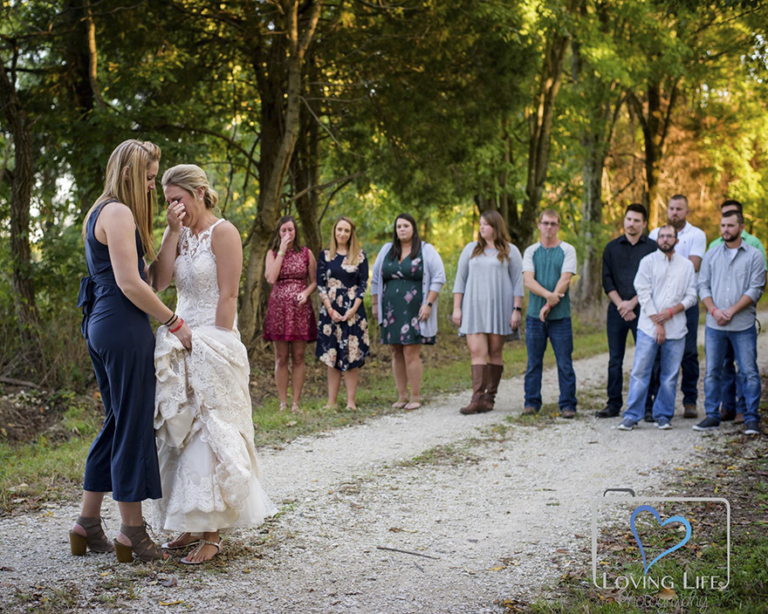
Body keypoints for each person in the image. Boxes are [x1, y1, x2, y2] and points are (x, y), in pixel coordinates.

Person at [150, 164, 277, 564]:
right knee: (179, 430)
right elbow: (160, 282)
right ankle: (189, 522)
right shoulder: (180, 233)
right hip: (179, 337)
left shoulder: (224, 232)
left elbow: (228, 295)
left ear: (200, 192)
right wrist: (171, 230)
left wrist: (214, 346)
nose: (174, 206)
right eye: (168, 201)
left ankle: (213, 533)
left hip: (213, 340)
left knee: (210, 429)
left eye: (179, 199)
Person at [73, 140, 192, 563]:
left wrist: (173, 232)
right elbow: (130, 284)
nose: (149, 188)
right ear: (128, 174)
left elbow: (155, 278)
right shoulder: (118, 212)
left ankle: (87, 523)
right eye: (145, 179)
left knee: (117, 421)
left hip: (105, 324)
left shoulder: (100, 211)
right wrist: (174, 322)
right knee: (132, 426)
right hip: (121, 326)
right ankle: (133, 533)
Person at [617, 225, 697, 431]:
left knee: (669, 376)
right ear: (657, 240)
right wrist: (657, 321)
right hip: (647, 328)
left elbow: (691, 297)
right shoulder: (647, 262)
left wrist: (670, 313)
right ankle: (632, 415)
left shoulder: (686, 266)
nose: (665, 240)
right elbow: (643, 292)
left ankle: (663, 415)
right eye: (662, 236)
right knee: (640, 372)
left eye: (670, 236)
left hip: (677, 329)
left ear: (676, 241)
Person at [694, 210, 764, 435]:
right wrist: (714, 310)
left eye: (730, 225)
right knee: (713, 371)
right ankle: (713, 415)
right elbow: (702, 285)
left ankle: (751, 418)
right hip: (715, 326)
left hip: (742, 325)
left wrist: (731, 311)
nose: (725, 229)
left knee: (749, 372)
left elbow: (756, 288)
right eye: (723, 225)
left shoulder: (754, 255)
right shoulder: (711, 255)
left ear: (741, 228)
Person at [371, 213, 446, 411]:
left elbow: (439, 277)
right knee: (395, 351)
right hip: (390, 309)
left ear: (413, 228)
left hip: (415, 310)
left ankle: (415, 396)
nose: (402, 229)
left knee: (410, 351)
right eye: (398, 226)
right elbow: (376, 279)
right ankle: (402, 395)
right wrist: (375, 304)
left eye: (405, 226)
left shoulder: (425, 250)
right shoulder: (387, 250)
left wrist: (428, 304)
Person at [452, 210, 524, 415]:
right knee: (476, 351)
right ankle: (476, 398)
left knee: (494, 352)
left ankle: (489, 398)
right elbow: (460, 280)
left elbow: (518, 282)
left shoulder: (511, 251)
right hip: (474, 307)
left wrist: (516, 310)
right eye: (480, 224)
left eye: (486, 224)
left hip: (499, 309)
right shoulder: (471, 249)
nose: (482, 227)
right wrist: (457, 308)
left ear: (496, 226)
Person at [648, 195, 707, 419]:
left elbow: (694, 266)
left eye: (679, 209)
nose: (674, 212)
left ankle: (689, 400)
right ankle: (656, 401)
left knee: (689, 352)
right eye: (671, 208)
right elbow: (650, 266)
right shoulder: (655, 234)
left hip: (686, 303)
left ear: (687, 211)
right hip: (659, 303)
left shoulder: (696, 235)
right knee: (658, 351)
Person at [597, 204, 658, 418]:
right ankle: (613, 404)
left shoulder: (652, 248)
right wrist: (621, 305)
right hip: (616, 312)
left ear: (644, 223)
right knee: (615, 359)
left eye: (636, 220)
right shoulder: (611, 248)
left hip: (643, 310)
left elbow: (653, 282)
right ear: (624, 220)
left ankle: (648, 407)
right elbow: (607, 279)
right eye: (628, 219)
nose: (631, 224)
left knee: (647, 359)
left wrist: (632, 303)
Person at [522, 209, 578, 418]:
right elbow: (528, 280)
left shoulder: (567, 250)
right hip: (534, 317)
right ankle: (531, 402)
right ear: (539, 225)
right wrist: (549, 297)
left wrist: (549, 305)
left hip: (560, 317)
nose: (549, 227)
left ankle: (568, 405)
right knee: (534, 361)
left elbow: (565, 279)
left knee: (564, 361)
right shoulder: (530, 251)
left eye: (553, 224)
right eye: (545, 223)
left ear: (558, 226)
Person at [263, 216, 318, 413]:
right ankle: (282, 402)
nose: (288, 234)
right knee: (281, 357)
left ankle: (295, 402)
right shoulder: (272, 253)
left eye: (291, 230)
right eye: (284, 230)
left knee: (299, 356)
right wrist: (282, 252)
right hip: (279, 309)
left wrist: (306, 292)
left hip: (300, 310)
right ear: (278, 232)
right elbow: (270, 278)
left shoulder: (306, 253)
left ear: (296, 232)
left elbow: (314, 281)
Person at [315, 216, 371, 410]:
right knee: (332, 356)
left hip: (353, 312)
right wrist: (330, 310)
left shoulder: (360, 256)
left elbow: (363, 285)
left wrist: (352, 311)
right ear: (334, 231)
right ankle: (331, 402)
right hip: (330, 311)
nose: (342, 233)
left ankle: (351, 402)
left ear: (351, 234)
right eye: (340, 229)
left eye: (346, 230)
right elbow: (320, 285)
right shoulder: (325, 255)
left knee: (351, 356)